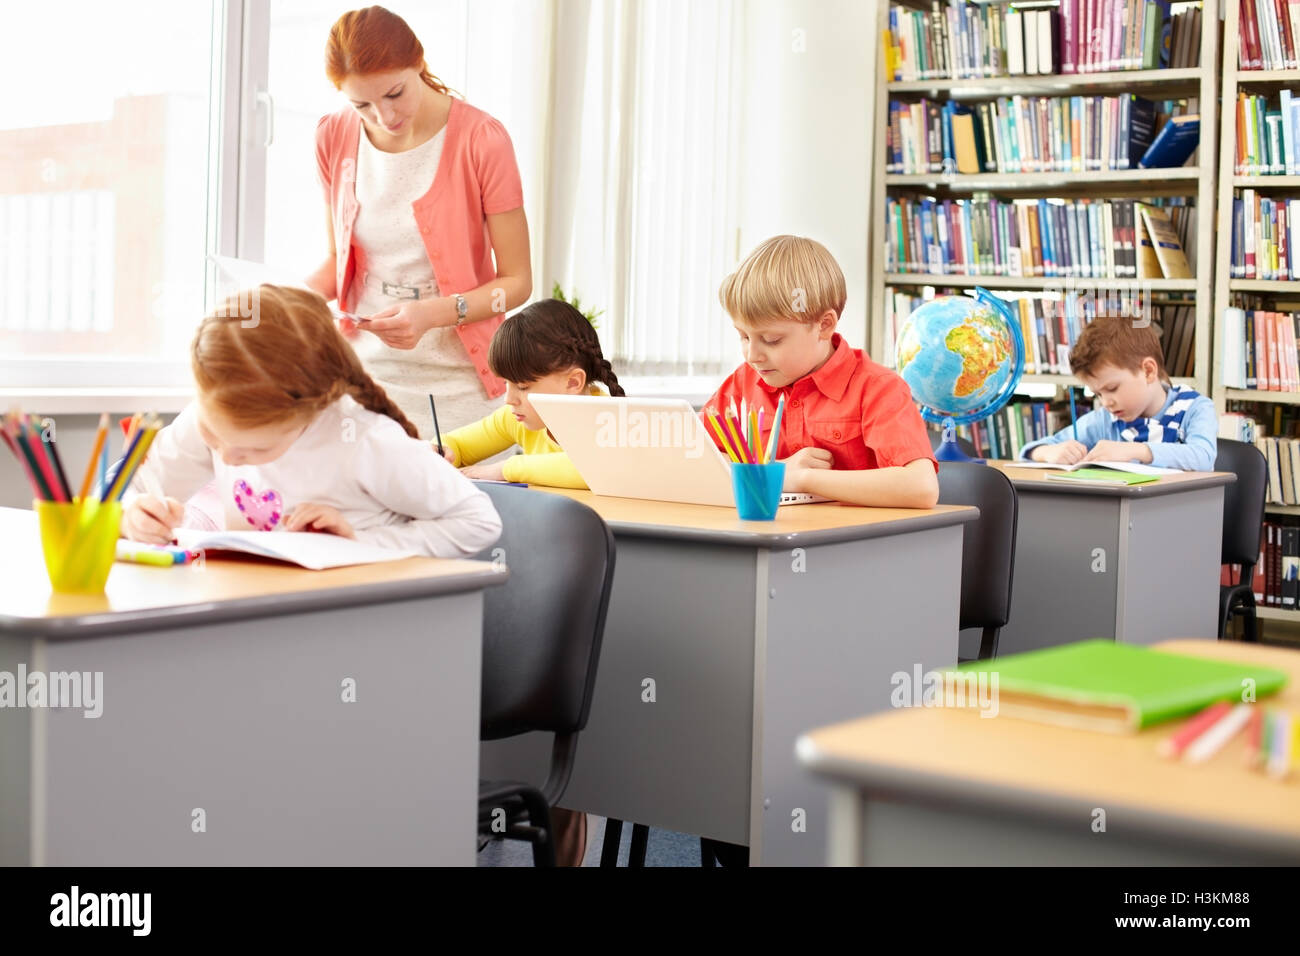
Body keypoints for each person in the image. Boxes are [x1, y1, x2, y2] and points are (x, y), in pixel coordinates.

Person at [121, 284, 502, 558]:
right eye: (211, 434)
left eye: (257, 448)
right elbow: (130, 485)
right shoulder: (218, 415)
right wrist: (132, 517)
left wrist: (360, 540)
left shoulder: (365, 441)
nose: (227, 456)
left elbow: (478, 521)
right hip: (258, 613)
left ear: (310, 410)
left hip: (350, 621)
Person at [307, 5, 532, 436]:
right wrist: (288, 298)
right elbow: (337, 264)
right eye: (362, 105)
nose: (384, 117)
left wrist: (431, 314)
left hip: (462, 393)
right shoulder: (332, 136)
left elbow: (518, 283)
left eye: (394, 94)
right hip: (363, 386)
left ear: (419, 63)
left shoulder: (481, 141)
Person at [702, 235, 939, 509]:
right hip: (769, 535)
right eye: (743, 336)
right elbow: (691, 458)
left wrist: (802, 479)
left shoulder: (877, 388)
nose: (752, 355)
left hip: (851, 545)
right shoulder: (744, 383)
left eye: (772, 340)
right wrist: (776, 469)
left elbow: (920, 488)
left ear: (824, 326)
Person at [441, 299, 624, 488]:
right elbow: (456, 445)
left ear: (573, 382)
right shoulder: (515, 417)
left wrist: (506, 469)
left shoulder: (609, 422)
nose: (509, 399)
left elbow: (596, 467)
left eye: (522, 387)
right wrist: (442, 451)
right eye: (506, 383)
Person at [1018, 315, 1217, 470]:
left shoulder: (1195, 408)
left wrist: (1136, 451)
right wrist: (1048, 452)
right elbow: (1030, 450)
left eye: (1112, 389)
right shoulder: (1105, 420)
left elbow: (1203, 457)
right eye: (1098, 394)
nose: (1106, 402)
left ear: (1148, 371)